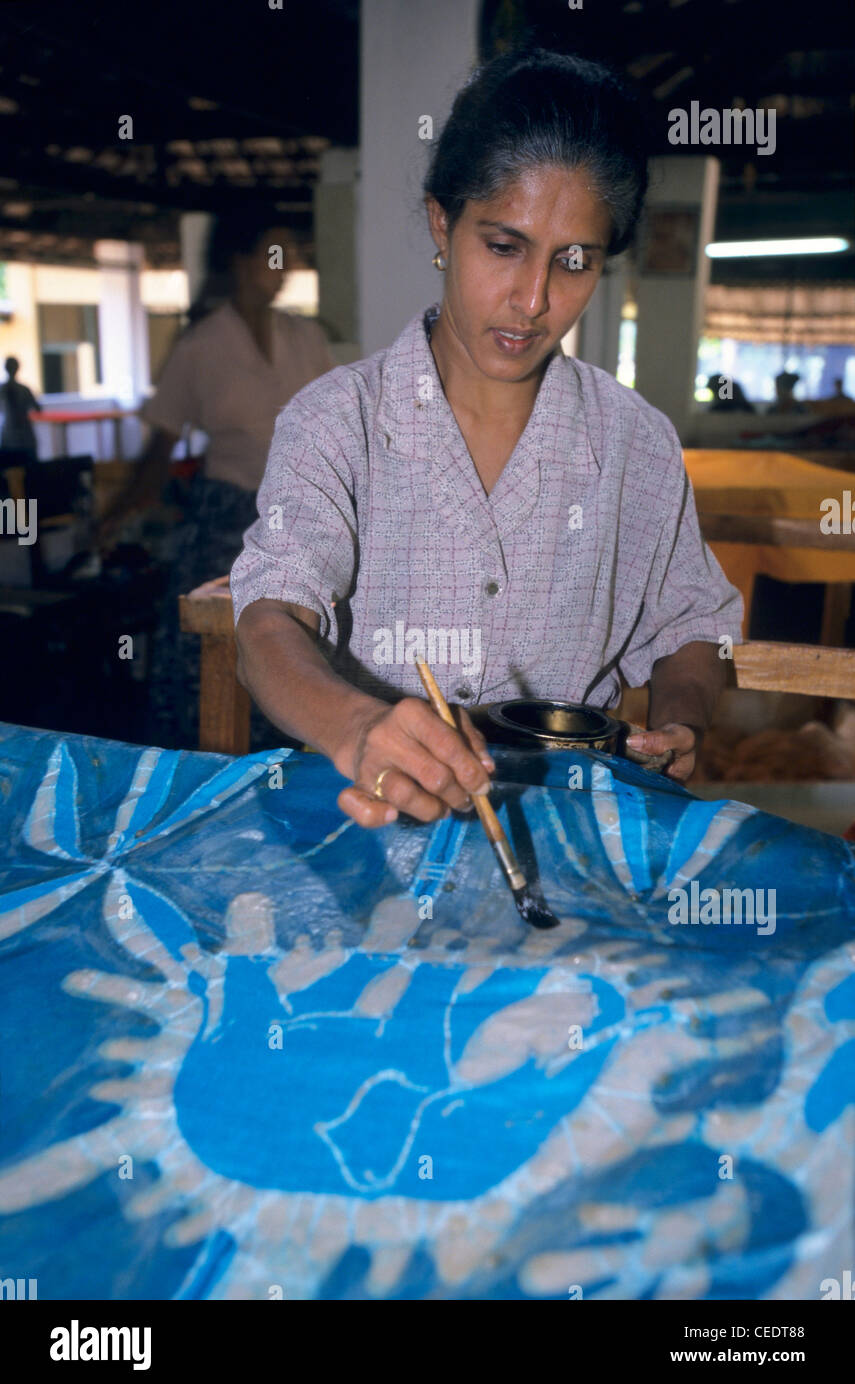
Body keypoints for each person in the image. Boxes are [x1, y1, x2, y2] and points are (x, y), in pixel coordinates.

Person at [232, 48, 744, 829]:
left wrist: (682, 717)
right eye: (502, 247)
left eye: (573, 262)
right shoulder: (337, 421)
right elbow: (270, 623)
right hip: (368, 821)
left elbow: (691, 624)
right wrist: (357, 725)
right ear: (443, 223)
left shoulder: (633, 443)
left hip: (568, 832)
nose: (532, 301)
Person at [101, 205, 335, 749]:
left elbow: (335, 429)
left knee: (291, 648)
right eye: (273, 255)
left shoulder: (306, 338)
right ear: (240, 260)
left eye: (289, 258)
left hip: (297, 521)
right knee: (216, 655)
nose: (284, 268)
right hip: (225, 524)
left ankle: (281, 766)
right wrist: (117, 513)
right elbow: (159, 449)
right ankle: (205, 776)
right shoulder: (202, 345)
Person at [0, 356, 40, 458]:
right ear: (17, 368)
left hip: (9, 437)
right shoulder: (24, 389)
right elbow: (37, 409)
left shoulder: (2, 389)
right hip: (24, 437)